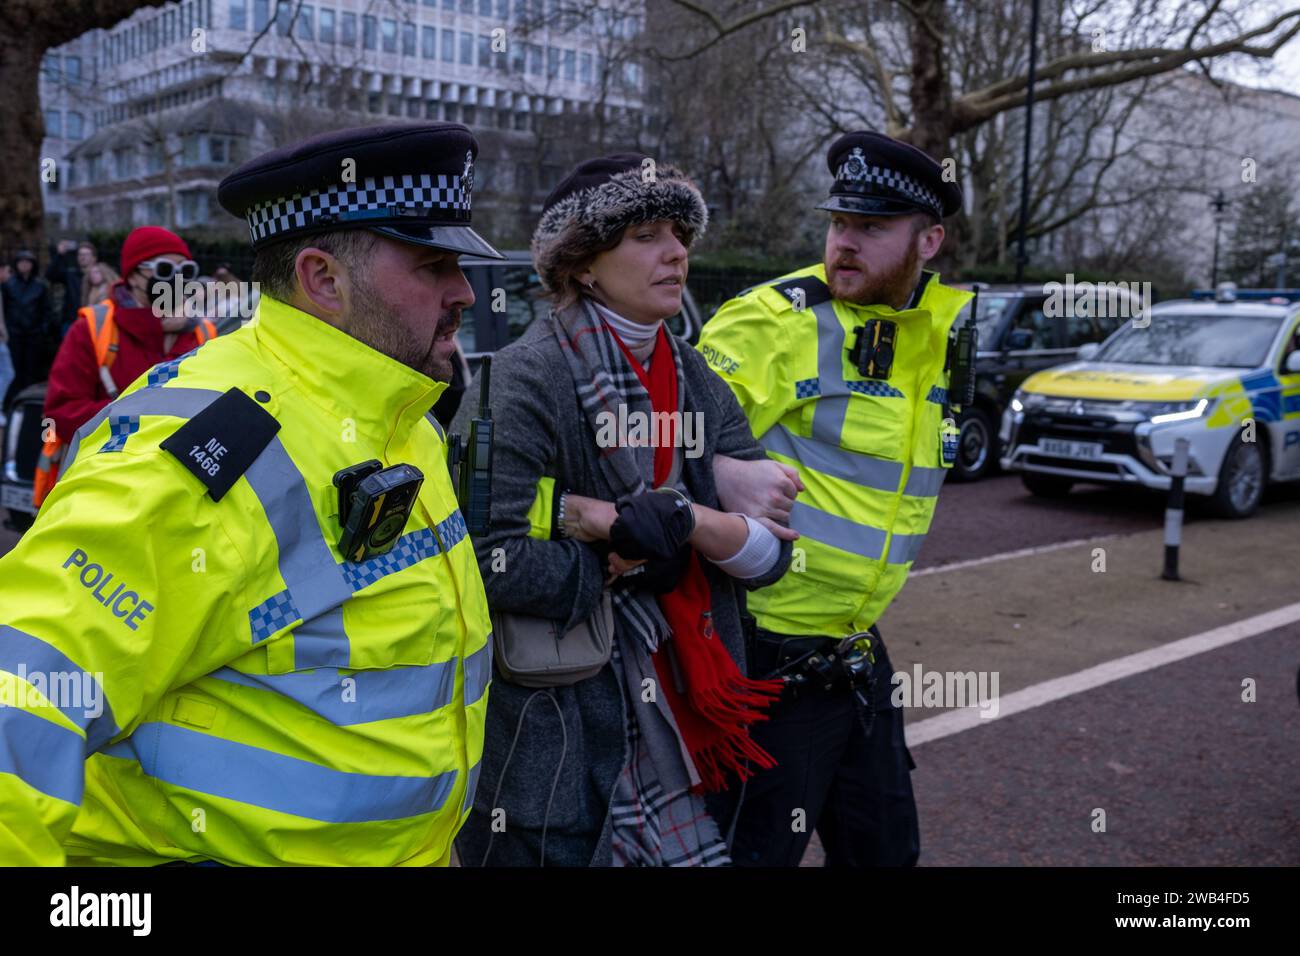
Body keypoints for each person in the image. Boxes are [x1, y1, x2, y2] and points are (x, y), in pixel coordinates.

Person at [0, 122, 499, 866]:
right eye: (433, 264)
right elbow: (20, 696)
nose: (463, 290)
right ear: (323, 278)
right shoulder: (205, 452)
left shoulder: (399, 413)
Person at [453, 154, 797, 867]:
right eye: (645, 235)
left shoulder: (699, 378)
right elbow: (485, 558)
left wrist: (681, 522)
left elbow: (771, 558)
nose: (676, 252)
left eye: (679, 232)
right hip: (553, 750)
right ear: (582, 264)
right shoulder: (520, 380)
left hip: (688, 722)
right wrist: (619, 554)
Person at [697, 130, 974, 867]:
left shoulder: (941, 337)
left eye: (872, 229)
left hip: (854, 651)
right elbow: (664, 454)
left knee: (886, 853)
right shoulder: (773, 321)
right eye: (838, 223)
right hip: (762, 657)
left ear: (930, 242)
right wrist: (713, 470)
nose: (844, 244)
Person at [34, 227, 218, 508]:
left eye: (187, 271)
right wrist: (144, 420)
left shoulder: (203, 334)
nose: (178, 280)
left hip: (180, 494)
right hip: (104, 488)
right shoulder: (93, 329)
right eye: (165, 269)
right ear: (133, 275)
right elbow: (61, 411)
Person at [1, 250, 55, 408]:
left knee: (32, 370)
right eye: (21, 261)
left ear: (33, 265)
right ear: (16, 265)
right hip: (14, 335)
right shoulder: (8, 285)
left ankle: (28, 403)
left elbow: (47, 310)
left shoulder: (40, 286)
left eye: (28, 262)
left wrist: (42, 329)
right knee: (13, 370)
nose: (24, 265)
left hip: (33, 335)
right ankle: (11, 403)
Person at [46, 240, 96, 336]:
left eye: (86, 254)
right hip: (71, 323)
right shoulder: (71, 275)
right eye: (80, 254)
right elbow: (50, 275)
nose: (82, 257)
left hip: (93, 323)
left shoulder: (99, 276)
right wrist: (59, 255)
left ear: (94, 258)